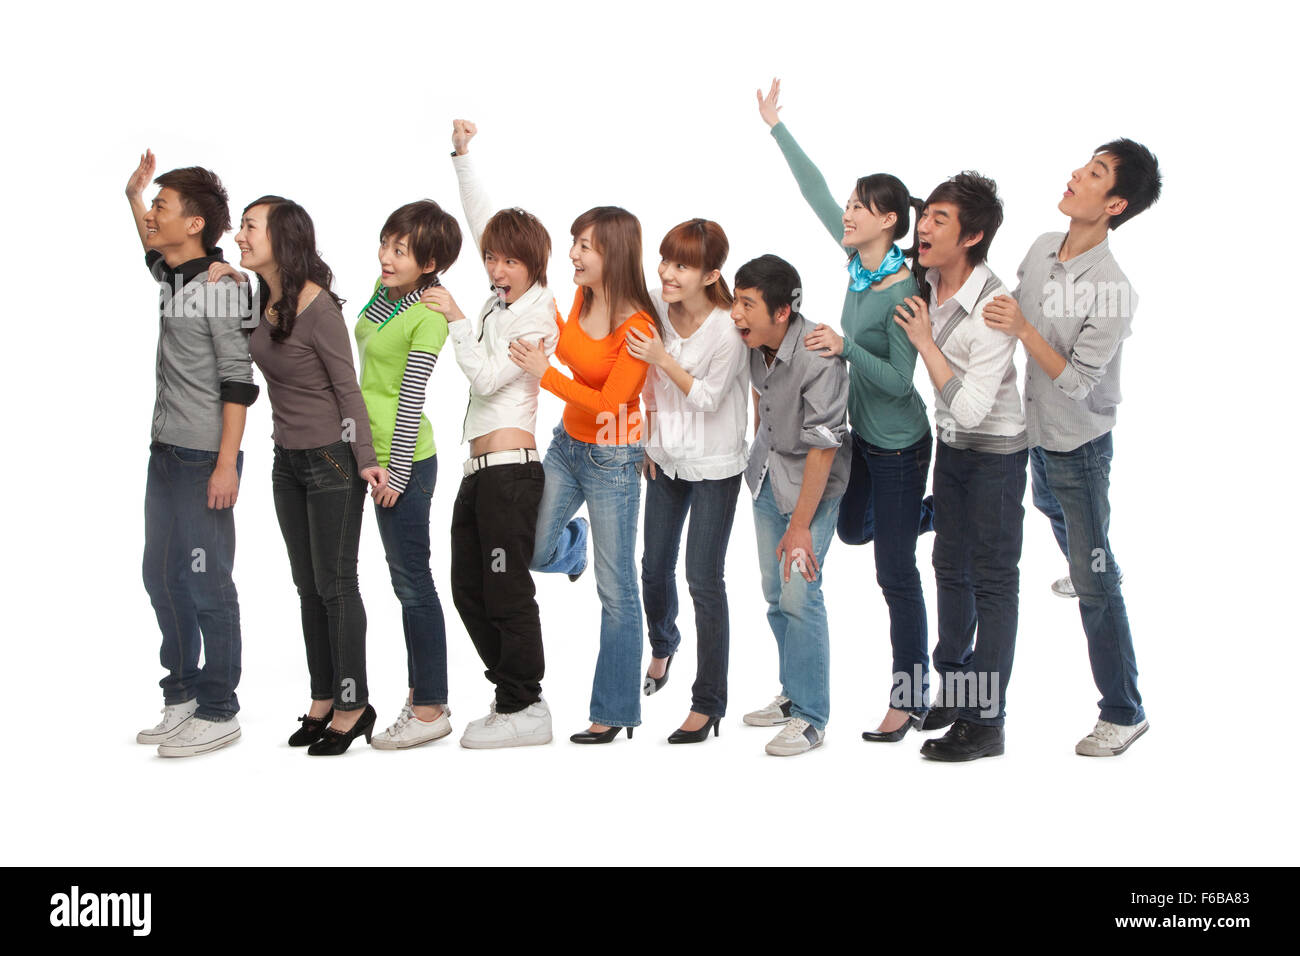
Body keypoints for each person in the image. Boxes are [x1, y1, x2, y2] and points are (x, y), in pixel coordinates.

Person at [756, 79, 935, 743]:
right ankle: (931, 512)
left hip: (902, 443)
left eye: (862, 207)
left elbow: (896, 381)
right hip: (862, 438)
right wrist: (776, 127)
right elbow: (814, 190)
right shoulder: (859, 264)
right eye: (853, 204)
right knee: (858, 534)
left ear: (889, 222)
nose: (849, 213)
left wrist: (845, 342)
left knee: (894, 572)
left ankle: (909, 696)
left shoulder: (903, 288)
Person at [982, 139, 1161, 757]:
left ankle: (1124, 710)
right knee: (1050, 510)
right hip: (1033, 432)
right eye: (1082, 166)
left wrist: (1024, 329)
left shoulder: (1112, 289)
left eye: (1093, 174)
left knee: (1095, 582)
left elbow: (1078, 383)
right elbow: (1004, 307)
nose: (1075, 176)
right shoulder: (1039, 248)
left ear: (1114, 204)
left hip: (1079, 443)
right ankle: (1093, 555)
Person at [419, 119, 560, 748]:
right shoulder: (501, 298)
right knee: (466, 587)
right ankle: (509, 693)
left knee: (505, 586)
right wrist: (463, 156)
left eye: (509, 261)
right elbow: (483, 218)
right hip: (477, 475)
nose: (496, 267)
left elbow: (483, 380)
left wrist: (454, 319)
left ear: (534, 266)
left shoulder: (537, 314)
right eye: (492, 260)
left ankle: (526, 704)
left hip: (511, 474)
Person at [505, 182, 659, 745]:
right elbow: (572, 351)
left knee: (617, 591)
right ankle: (574, 545)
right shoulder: (582, 298)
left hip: (614, 458)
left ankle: (614, 711)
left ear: (613, 253)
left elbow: (609, 403)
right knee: (533, 546)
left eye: (585, 245)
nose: (574, 254)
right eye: (574, 242)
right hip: (566, 445)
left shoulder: (639, 326)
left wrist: (542, 372)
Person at [238, 196, 386, 756]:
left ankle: (354, 704)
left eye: (250, 227)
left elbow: (347, 387)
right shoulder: (263, 298)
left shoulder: (318, 307)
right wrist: (222, 273)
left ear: (282, 236)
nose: (241, 235)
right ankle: (322, 698)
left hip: (331, 459)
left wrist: (366, 456)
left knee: (337, 585)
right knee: (308, 587)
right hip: (288, 462)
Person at [126, 150, 259, 758]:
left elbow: (238, 381)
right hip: (165, 452)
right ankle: (180, 693)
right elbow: (154, 252)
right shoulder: (177, 272)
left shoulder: (221, 286)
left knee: (208, 583)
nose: (154, 215)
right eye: (153, 206)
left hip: (206, 455)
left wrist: (227, 462)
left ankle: (218, 708)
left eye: (162, 207)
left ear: (196, 224)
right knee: (162, 574)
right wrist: (133, 199)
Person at [893, 172, 1026, 762]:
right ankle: (956, 687)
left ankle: (986, 723)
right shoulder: (925, 274)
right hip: (951, 446)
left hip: (995, 450)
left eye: (940, 220)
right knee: (949, 564)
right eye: (927, 215)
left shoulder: (994, 307)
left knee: (993, 580)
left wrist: (925, 342)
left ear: (971, 236)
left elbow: (973, 410)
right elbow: (857, 237)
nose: (924, 226)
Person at [624, 219, 748, 744]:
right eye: (666, 260)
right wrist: (648, 441)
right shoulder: (653, 304)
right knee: (653, 568)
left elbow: (707, 399)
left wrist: (661, 357)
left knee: (703, 578)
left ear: (711, 274)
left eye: (682, 265)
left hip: (716, 464)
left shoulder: (727, 328)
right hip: (666, 459)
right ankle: (663, 643)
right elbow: (643, 384)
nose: (667, 273)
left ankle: (708, 702)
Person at [733, 255, 851, 757]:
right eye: (735, 301)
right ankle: (792, 693)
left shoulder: (818, 357)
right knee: (774, 594)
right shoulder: (754, 345)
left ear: (781, 312)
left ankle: (810, 717)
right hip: (766, 479)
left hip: (813, 489)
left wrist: (800, 525)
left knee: (801, 594)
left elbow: (824, 447)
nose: (735, 314)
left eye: (747, 305)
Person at [354, 201, 459, 749]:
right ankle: (424, 696)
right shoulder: (383, 294)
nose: (386, 256)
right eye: (386, 243)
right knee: (402, 582)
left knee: (413, 583)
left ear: (431, 261)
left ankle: (429, 708)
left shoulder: (429, 314)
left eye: (401, 249)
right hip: (368, 456)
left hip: (407, 462)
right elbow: (365, 344)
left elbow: (411, 396)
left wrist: (394, 474)